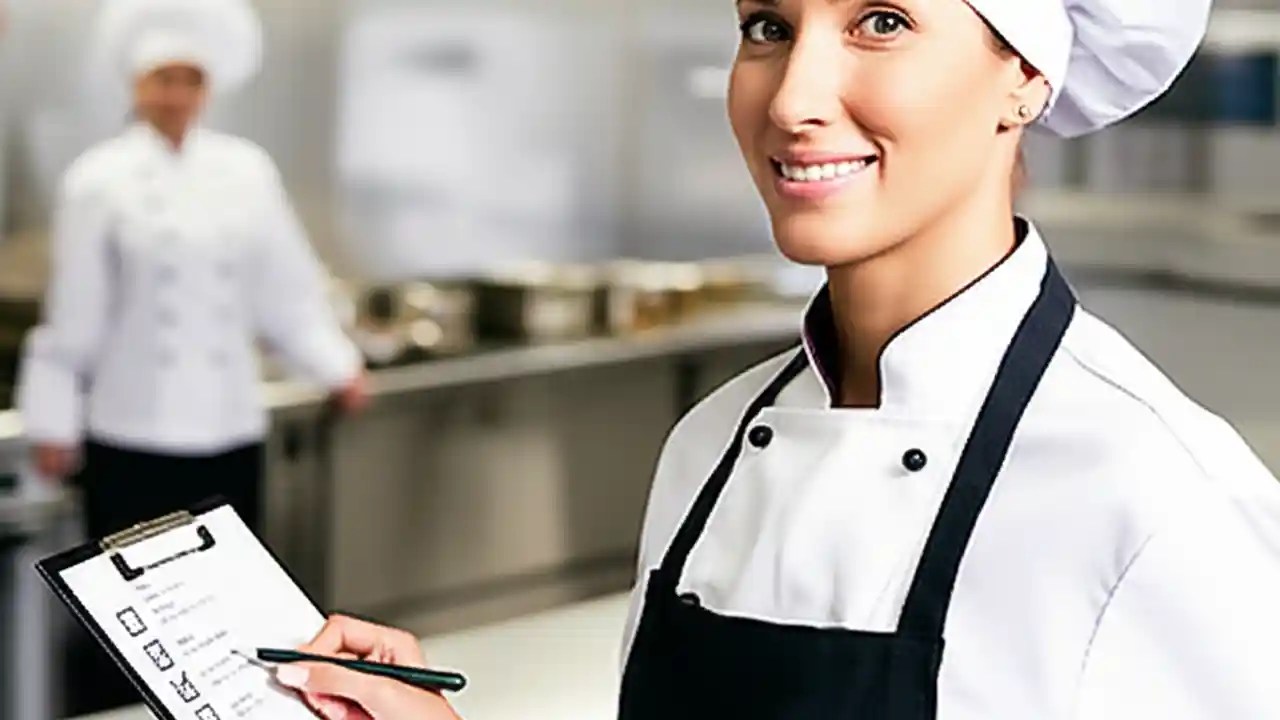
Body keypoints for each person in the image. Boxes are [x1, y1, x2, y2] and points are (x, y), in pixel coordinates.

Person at [279, 0, 1280, 718]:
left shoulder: (1155, 500)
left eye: (880, 22)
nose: (793, 98)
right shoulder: (708, 444)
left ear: (1024, 76)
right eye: (766, 26)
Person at [17, 0, 367, 543]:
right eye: (164, 79)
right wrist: (53, 421)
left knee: (228, 579)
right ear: (136, 84)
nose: (176, 96)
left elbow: (287, 291)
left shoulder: (247, 171)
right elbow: (75, 315)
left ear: (209, 88)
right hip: (131, 430)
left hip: (229, 424)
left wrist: (337, 367)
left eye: (191, 81)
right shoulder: (98, 180)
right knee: (133, 580)